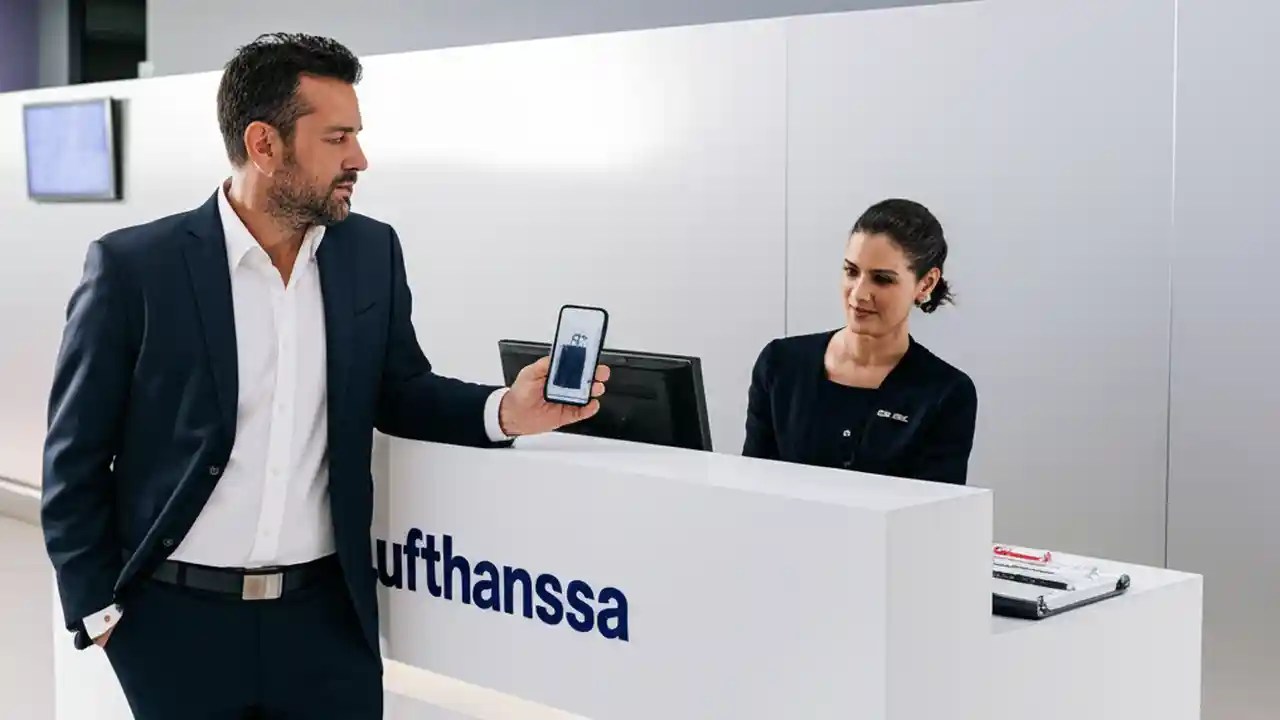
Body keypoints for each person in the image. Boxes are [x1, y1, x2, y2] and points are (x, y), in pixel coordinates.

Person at [40, 33, 608, 719]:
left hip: (324, 625)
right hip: (174, 626)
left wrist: (507, 411)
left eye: (356, 136)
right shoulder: (136, 268)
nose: (359, 159)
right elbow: (73, 458)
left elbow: (401, 389)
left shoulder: (370, 252)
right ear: (264, 144)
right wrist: (99, 612)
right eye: (337, 138)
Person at [743, 198, 977, 485]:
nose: (858, 294)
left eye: (882, 279)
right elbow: (753, 488)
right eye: (851, 272)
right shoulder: (780, 364)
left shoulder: (946, 393)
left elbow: (937, 509)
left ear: (926, 283)